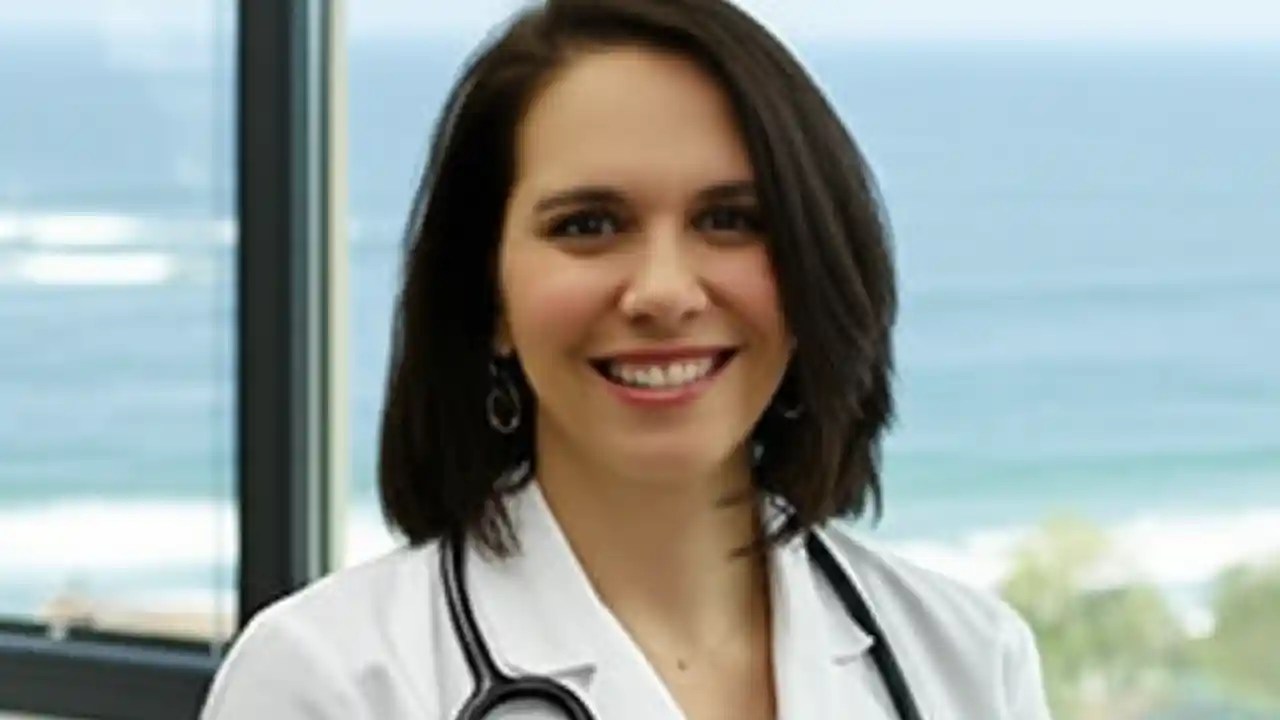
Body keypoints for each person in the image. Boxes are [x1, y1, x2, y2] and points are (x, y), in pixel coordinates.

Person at [201, 1, 1052, 718]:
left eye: (730, 220)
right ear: (489, 297)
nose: (664, 292)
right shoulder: (328, 681)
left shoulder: (967, 663)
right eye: (588, 225)